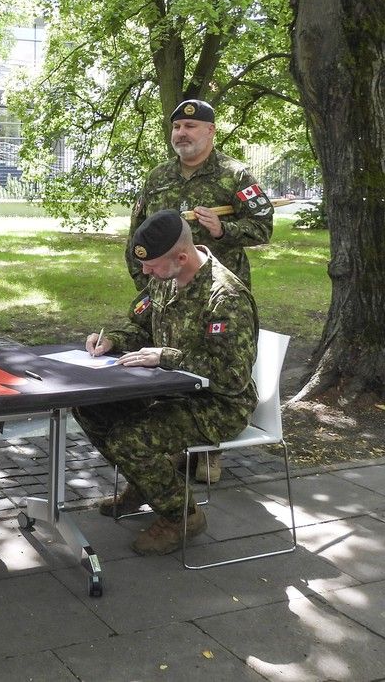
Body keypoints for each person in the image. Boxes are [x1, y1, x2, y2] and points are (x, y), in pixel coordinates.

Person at [73, 209, 258, 556]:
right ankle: (148, 483)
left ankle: (181, 516)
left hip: (218, 405)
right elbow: (140, 326)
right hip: (169, 392)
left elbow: (232, 376)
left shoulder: (225, 297)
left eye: (152, 265)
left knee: (130, 439)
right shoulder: (164, 276)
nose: (145, 272)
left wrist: (165, 356)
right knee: (90, 407)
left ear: (183, 257)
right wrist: (112, 339)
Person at [126, 99, 272, 482]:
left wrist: (225, 231)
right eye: (177, 127)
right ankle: (173, 445)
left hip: (214, 291)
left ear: (210, 131)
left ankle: (209, 449)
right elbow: (137, 234)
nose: (182, 134)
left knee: (217, 359)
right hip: (167, 287)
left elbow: (264, 226)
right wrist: (148, 282)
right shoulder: (157, 176)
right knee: (169, 357)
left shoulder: (234, 175)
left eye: (191, 126)